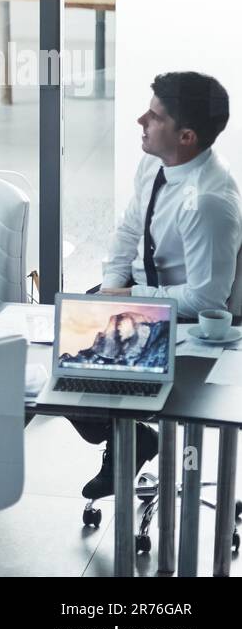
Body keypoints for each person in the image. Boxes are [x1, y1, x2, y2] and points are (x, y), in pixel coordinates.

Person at [72, 71, 242, 500]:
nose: (140, 120)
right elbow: (127, 232)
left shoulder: (207, 201)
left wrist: (130, 299)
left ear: (185, 135)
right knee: (65, 343)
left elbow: (206, 299)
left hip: (188, 320)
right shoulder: (154, 162)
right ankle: (129, 436)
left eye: (155, 115)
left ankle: (127, 439)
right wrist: (112, 289)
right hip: (139, 295)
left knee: (81, 362)